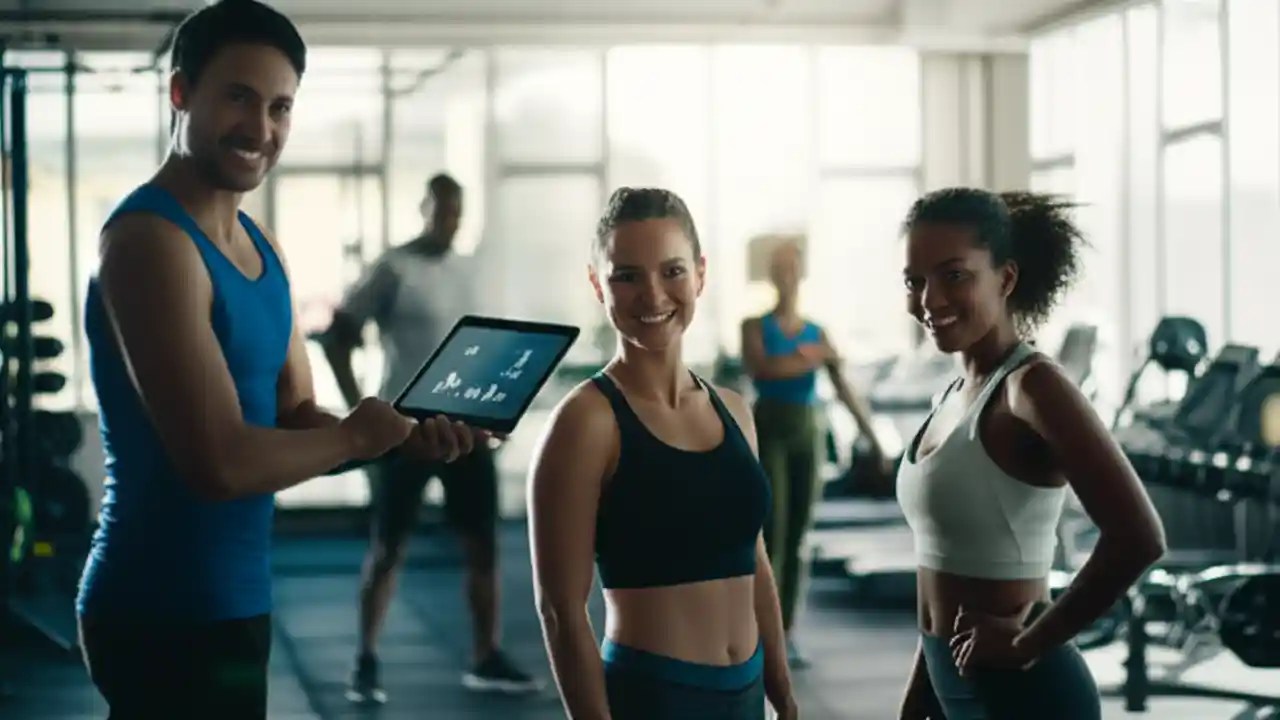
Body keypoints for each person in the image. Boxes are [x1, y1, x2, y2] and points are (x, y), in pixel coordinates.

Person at [74, 3, 484, 718]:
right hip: (158, 608)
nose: (260, 129)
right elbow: (219, 464)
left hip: (235, 601)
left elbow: (296, 416)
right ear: (181, 93)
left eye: (280, 107)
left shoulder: (261, 247)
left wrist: (404, 439)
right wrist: (361, 436)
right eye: (238, 97)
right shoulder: (150, 242)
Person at [893, 188, 1167, 720]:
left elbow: (1139, 537)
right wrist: (920, 693)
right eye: (914, 281)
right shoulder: (951, 395)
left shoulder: (1034, 388)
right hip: (951, 683)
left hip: (1024, 694)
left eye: (953, 275)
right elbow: (942, 570)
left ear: (1007, 278)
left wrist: (1028, 644)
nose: (929, 300)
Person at [527, 187, 799, 720]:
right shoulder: (586, 423)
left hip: (746, 693)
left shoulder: (736, 410)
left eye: (672, 271)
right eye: (626, 276)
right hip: (653, 696)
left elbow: (755, 560)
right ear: (595, 284)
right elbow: (560, 611)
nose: (652, 296)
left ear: (700, 273)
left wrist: (782, 693)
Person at [320, 173, 540, 702]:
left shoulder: (468, 271)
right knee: (389, 545)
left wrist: (494, 412)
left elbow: (481, 350)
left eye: (457, 212)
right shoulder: (394, 268)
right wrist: (362, 413)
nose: (450, 220)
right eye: (442, 211)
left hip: (464, 427)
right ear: (424, 208)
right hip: (403, 427)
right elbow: (337, 335)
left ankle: (485, 655)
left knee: (482, 545)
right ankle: (365, 659)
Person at [740, 239, 893, 668]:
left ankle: (785, 632)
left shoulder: (816, 331)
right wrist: (813, 357)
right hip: (770, 427)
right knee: (772, 532)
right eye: (779, 267)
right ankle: (759, 630)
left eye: (792, 267)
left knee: (799, 535)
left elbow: (843, 387)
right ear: (771, 275)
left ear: (801, 273)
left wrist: (875, 440)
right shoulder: (754, 325)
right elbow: (763, 368)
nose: (786, 275)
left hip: (809, 429)